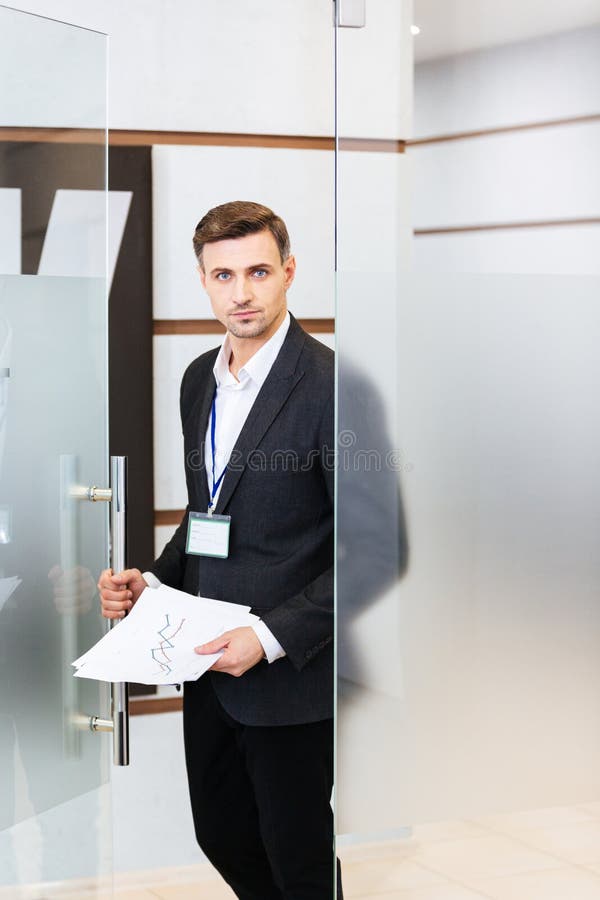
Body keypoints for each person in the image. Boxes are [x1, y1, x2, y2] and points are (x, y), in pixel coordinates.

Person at [98, 200, 340, 899]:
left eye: (259, 271)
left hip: (288, 675)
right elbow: (209, 517)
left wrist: (265, 637)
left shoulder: (332, 387)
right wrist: (154, 582)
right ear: (202, 281)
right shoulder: (198, 379)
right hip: (205, 665)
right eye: (223, 275)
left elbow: (381, 551)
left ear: (288, 273)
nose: (242, 292)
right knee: (223, 834)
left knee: (298, 859)